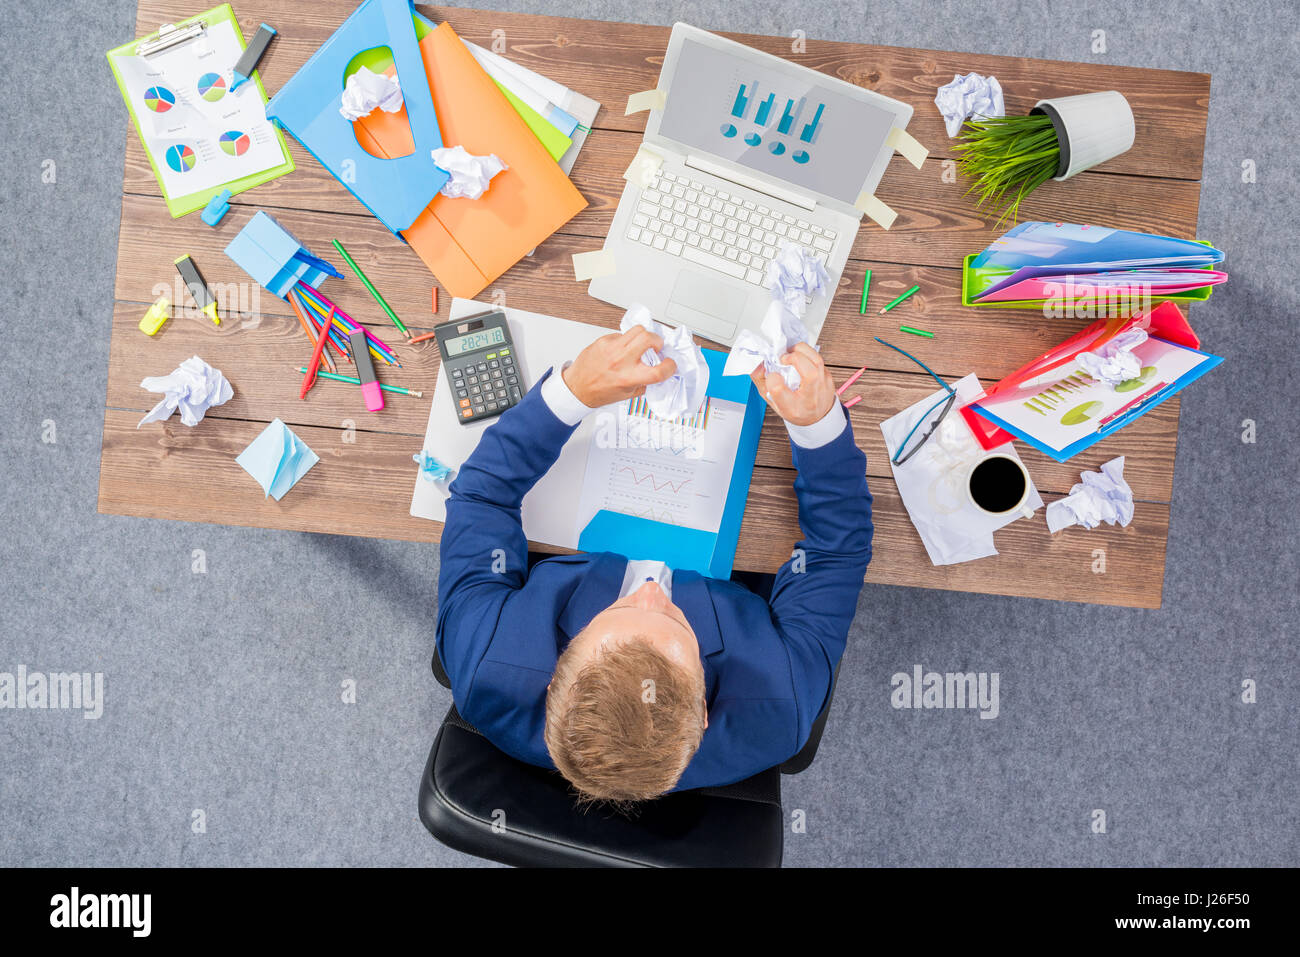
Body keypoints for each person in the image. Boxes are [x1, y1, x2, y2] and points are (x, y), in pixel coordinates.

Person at [435, 325, 873, 802]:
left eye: (618, 613)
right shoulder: (780, 702)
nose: (649, 591)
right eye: (674, 620)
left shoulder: (485, 665)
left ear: (553, 675)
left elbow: (481, 497)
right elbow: (836, 552)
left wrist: (570, 394)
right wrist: (817, 427)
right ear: (705, 710)